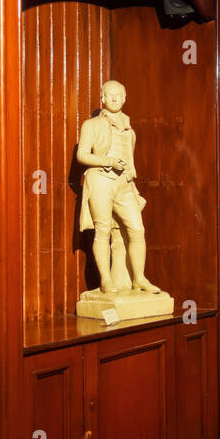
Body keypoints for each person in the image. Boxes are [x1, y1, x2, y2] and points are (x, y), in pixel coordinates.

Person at [76, 81, 161, 295]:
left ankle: (139, 277)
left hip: (124, 184)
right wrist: (108, 161)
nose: (114, 98)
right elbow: (82, 155)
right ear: (102, 98)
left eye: (118, 95)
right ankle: (106, 280)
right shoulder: (91, 125)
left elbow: (130, 159)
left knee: (137, 229)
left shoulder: (130, 130)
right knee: (103, 230)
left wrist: (130, 180)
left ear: (125, 98)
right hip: (101, 180)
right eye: (109, 95)